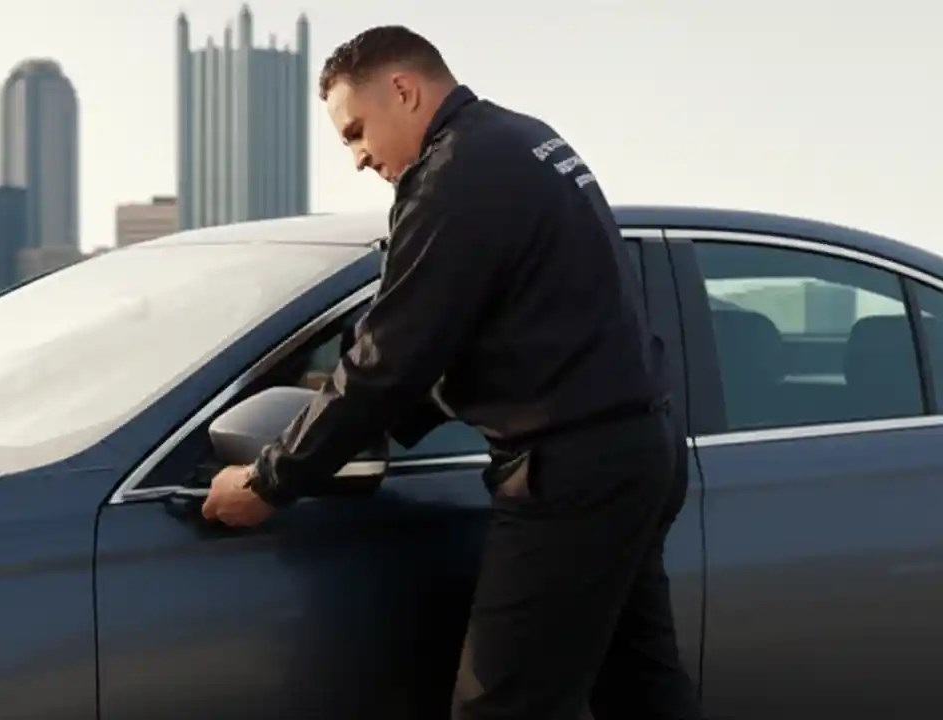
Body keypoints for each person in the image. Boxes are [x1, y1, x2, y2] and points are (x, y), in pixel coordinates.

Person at [201, 25, 702, 720]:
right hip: (635, 449)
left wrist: (269, 481)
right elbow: (466, 329)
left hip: (571, 472)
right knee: (640, 690)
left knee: (502, 706)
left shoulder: (453, 177)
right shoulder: (522, 139)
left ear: (403, 91)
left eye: (355, 132)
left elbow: (387, 361)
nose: (356, 157)